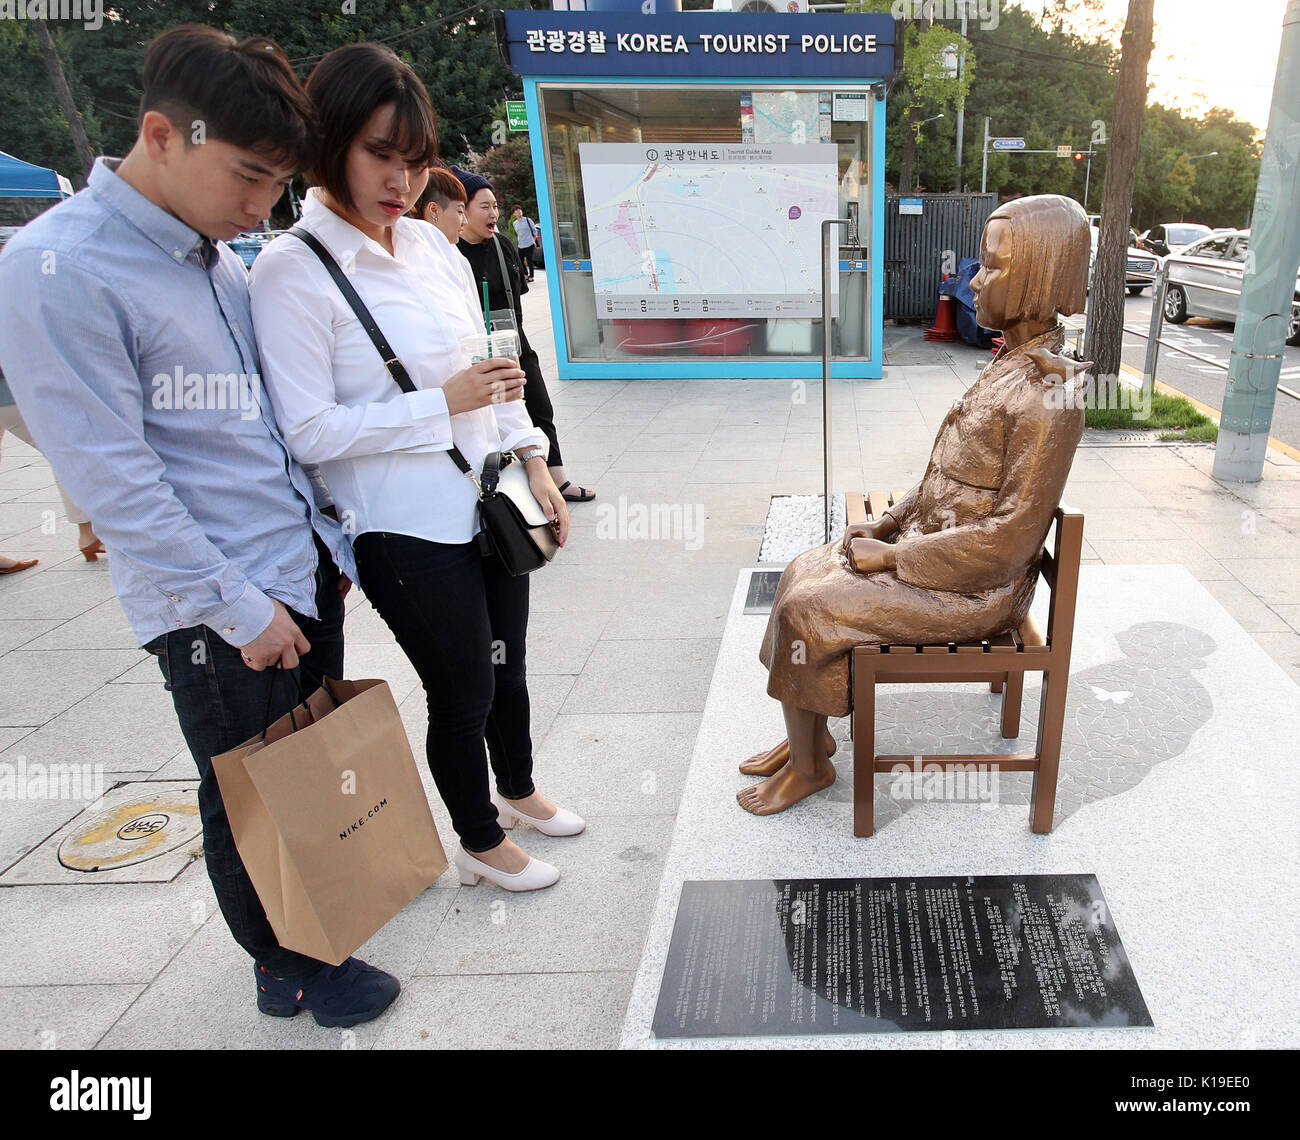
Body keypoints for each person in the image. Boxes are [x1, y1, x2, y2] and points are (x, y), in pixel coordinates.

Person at [0, 24, 401, 1029]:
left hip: (296, 565)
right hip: (217, 600)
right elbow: (113, 481)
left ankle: (324, 919)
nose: (263, 206)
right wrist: (237, 607)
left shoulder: (216, 260)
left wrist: (327, 548)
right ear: (161, 135)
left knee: (307, 765)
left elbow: (257, 425)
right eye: (250, 177)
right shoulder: (60, 271)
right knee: (249, 787)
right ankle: (293, 966)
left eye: (278, 184)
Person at [249, 42, 583, 893]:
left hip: (489, 499)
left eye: (415, 160)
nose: (400, 180)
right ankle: (477, 841)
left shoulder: (432, 248)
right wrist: (442, 402)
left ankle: (518, 790)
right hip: (400, 525)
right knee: (463, 684)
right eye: (379, 155)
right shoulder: (294, 268)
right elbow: (308, 430)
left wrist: (533, 460)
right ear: (330, 142)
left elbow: (494, 373)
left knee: (510, 664)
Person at [738, 194, 1091, 817]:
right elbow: (942, 477)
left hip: (976, 588)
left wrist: (893, 559)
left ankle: (812, 767)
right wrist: (888, 522)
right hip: (936, 552)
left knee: (807, 607)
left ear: (1038, 277)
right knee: (799, 569)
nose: (973, 282)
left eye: (992, 268)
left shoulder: (1048, 396)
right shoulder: (1011, 363)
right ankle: (808, 733)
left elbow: (1009, 540)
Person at [452, 166, 596, 504]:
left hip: (516, 344)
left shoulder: (502, 245)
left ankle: (557, 479)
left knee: (540, 408)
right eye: (483, 206)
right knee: (498, 416)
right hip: (477, 352)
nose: (493, 213)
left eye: (495, 206)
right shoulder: (452, 255)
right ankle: (510, 486)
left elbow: (518, 293)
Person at [0, 368, 104, 567]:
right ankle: (88, 534)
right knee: (63, 450)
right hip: (6, 389)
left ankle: (89, 533)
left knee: (63, 449)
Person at [510, 204, 539, 282]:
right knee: (520, 260)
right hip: (521, 244)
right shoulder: (515, 223)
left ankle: (531, 276)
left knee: (529, 260)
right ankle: (525, 275)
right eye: (517, 211)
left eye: (520, 210)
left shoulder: (528, 220)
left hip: (529, 243)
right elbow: (518, 233)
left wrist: (533, 240)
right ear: (514, 214)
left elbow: (534, 230)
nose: (519, 212)